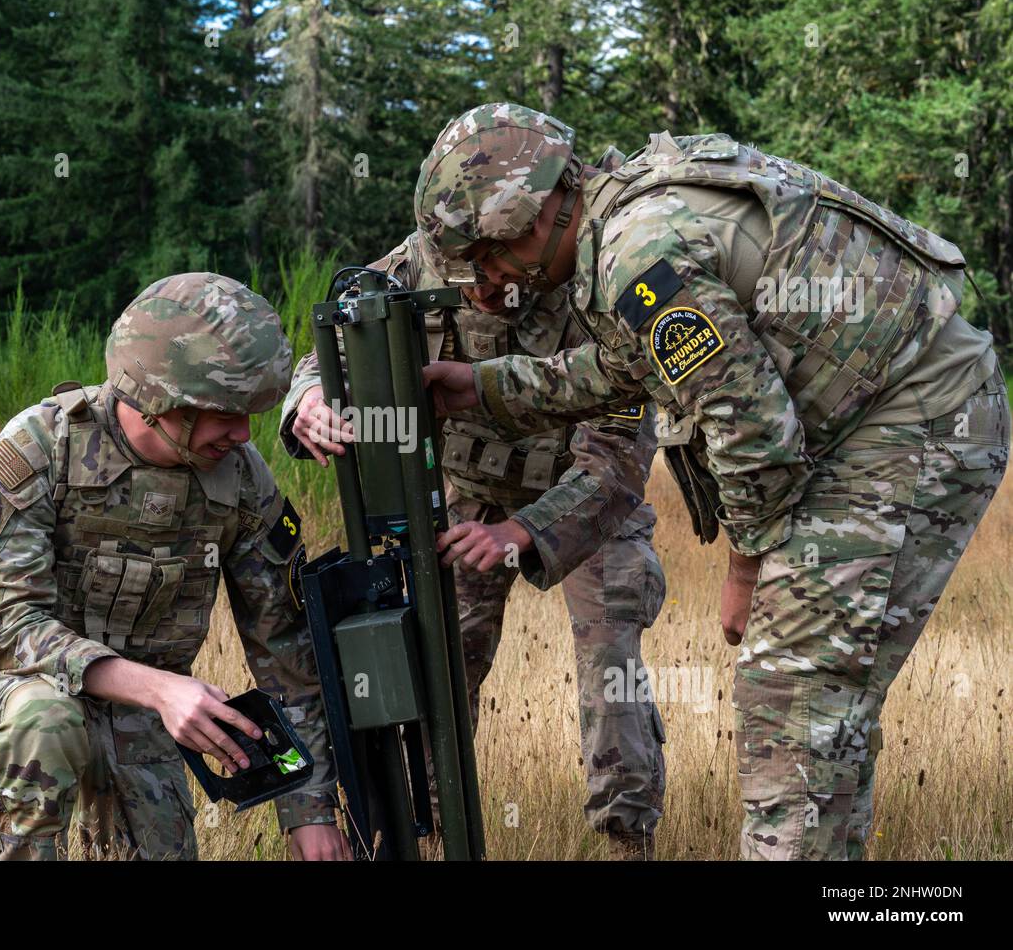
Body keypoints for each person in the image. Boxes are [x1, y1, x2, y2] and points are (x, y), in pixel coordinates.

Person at [419, 102, 1010, 860]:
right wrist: (485, 386)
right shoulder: (630, 212)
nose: (490, 283)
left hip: (912, 420)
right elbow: (628, 368)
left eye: (485, 260)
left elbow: (753, 431)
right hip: (883, 412)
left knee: (792, 694)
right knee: (815, 706)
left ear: (520, 225)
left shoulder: (638, 255)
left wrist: (746, 566)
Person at [0, 272, 348, 861]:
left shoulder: (242, 480)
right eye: (224, 412)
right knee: (49, 721)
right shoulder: (39, 449)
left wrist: (310, 809)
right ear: (156, 399)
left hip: (144, 710)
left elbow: (284, 649)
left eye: (251, 412)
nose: (244, 432)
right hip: (16, 686)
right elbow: (5, 626)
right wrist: (161, 689)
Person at [281, 220, 667, 859]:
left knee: (611, 664)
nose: (485, 287)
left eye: (499, 269)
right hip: (462, 492)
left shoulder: (598, 272)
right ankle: (435, 832)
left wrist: (522, 532)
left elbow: (620, 457)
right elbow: (326, 353)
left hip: (586, 494)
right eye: (468, 273)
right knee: (439, 658)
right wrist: (311, 400)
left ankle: (626, 839)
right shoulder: (412, 263)